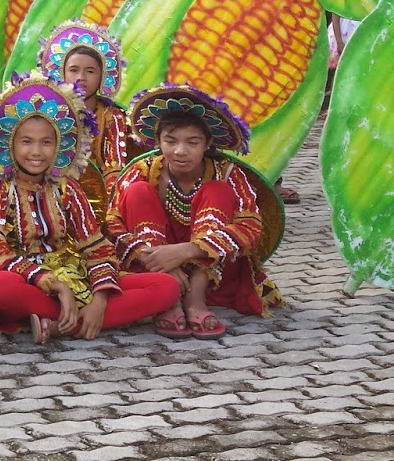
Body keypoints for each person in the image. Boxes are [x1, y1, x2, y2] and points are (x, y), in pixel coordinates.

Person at [0, 77, 180, 343]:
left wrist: (101, 298)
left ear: (59, 145)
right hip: (25, 280)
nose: (36, 152)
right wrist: (54, 284)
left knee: (166, 287)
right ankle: (74, 320)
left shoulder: (67, 187)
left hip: (76, 273)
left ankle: (60, 324)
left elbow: (96, 247)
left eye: (46, 142)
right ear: (9, 143)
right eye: (26, 142)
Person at [105, 85, 282, 339]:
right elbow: (113, 224)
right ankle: (169, 298)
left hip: (214, 274)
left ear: (208, 143)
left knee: (217, 191)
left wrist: (185, 251)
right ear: (157, 141)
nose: (180, 151)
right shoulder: (141, 170)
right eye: (170, 141)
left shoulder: (228, 173)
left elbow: (250, 226)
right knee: (137, 192)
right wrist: (155, 260)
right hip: (153, 266)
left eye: (192, 142)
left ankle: (195, 298)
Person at [39, 22, 139, 198]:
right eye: (73, 70)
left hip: (99, 197)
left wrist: (106, 205)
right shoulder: (47, 113)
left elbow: (113, 169)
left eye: (90, 71)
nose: (81, 77)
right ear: (61, 74)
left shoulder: (111, 116)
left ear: (103, 77)